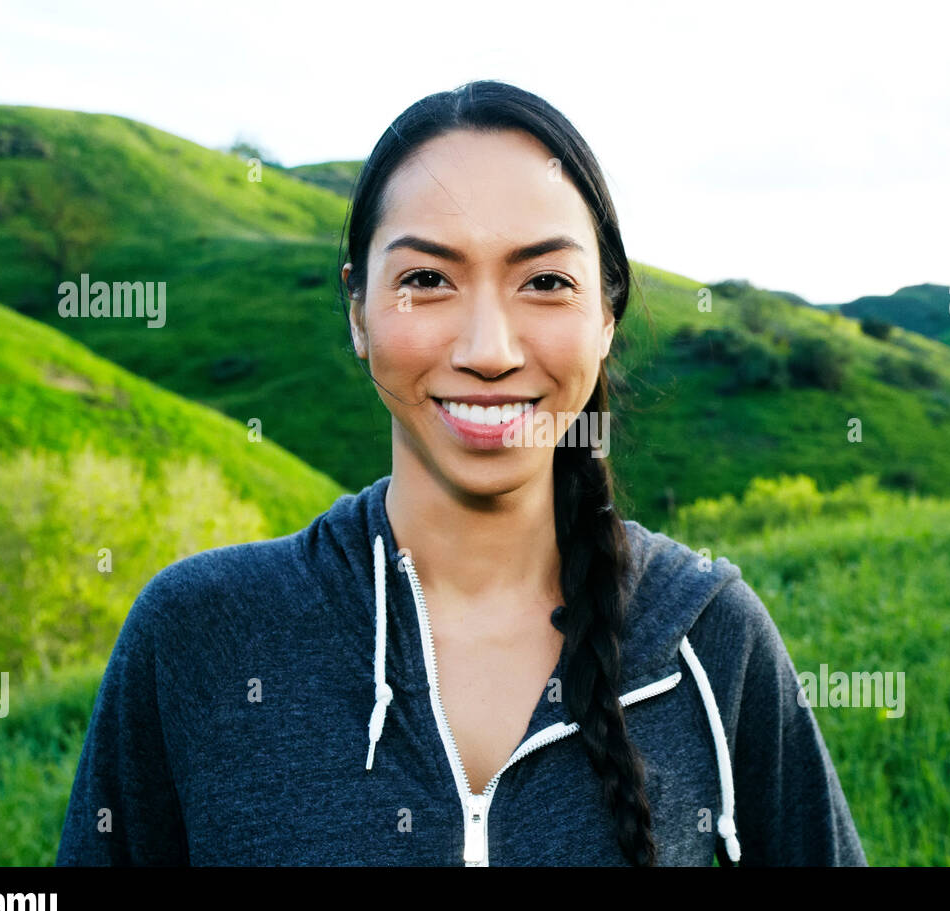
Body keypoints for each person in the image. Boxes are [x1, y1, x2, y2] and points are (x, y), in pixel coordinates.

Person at [55, 79, 867, 867]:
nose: (489, 350)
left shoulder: (711, 642)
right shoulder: (199, 637)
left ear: (607, 315)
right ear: (358, 311)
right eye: (426, 280)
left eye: (546, 282)